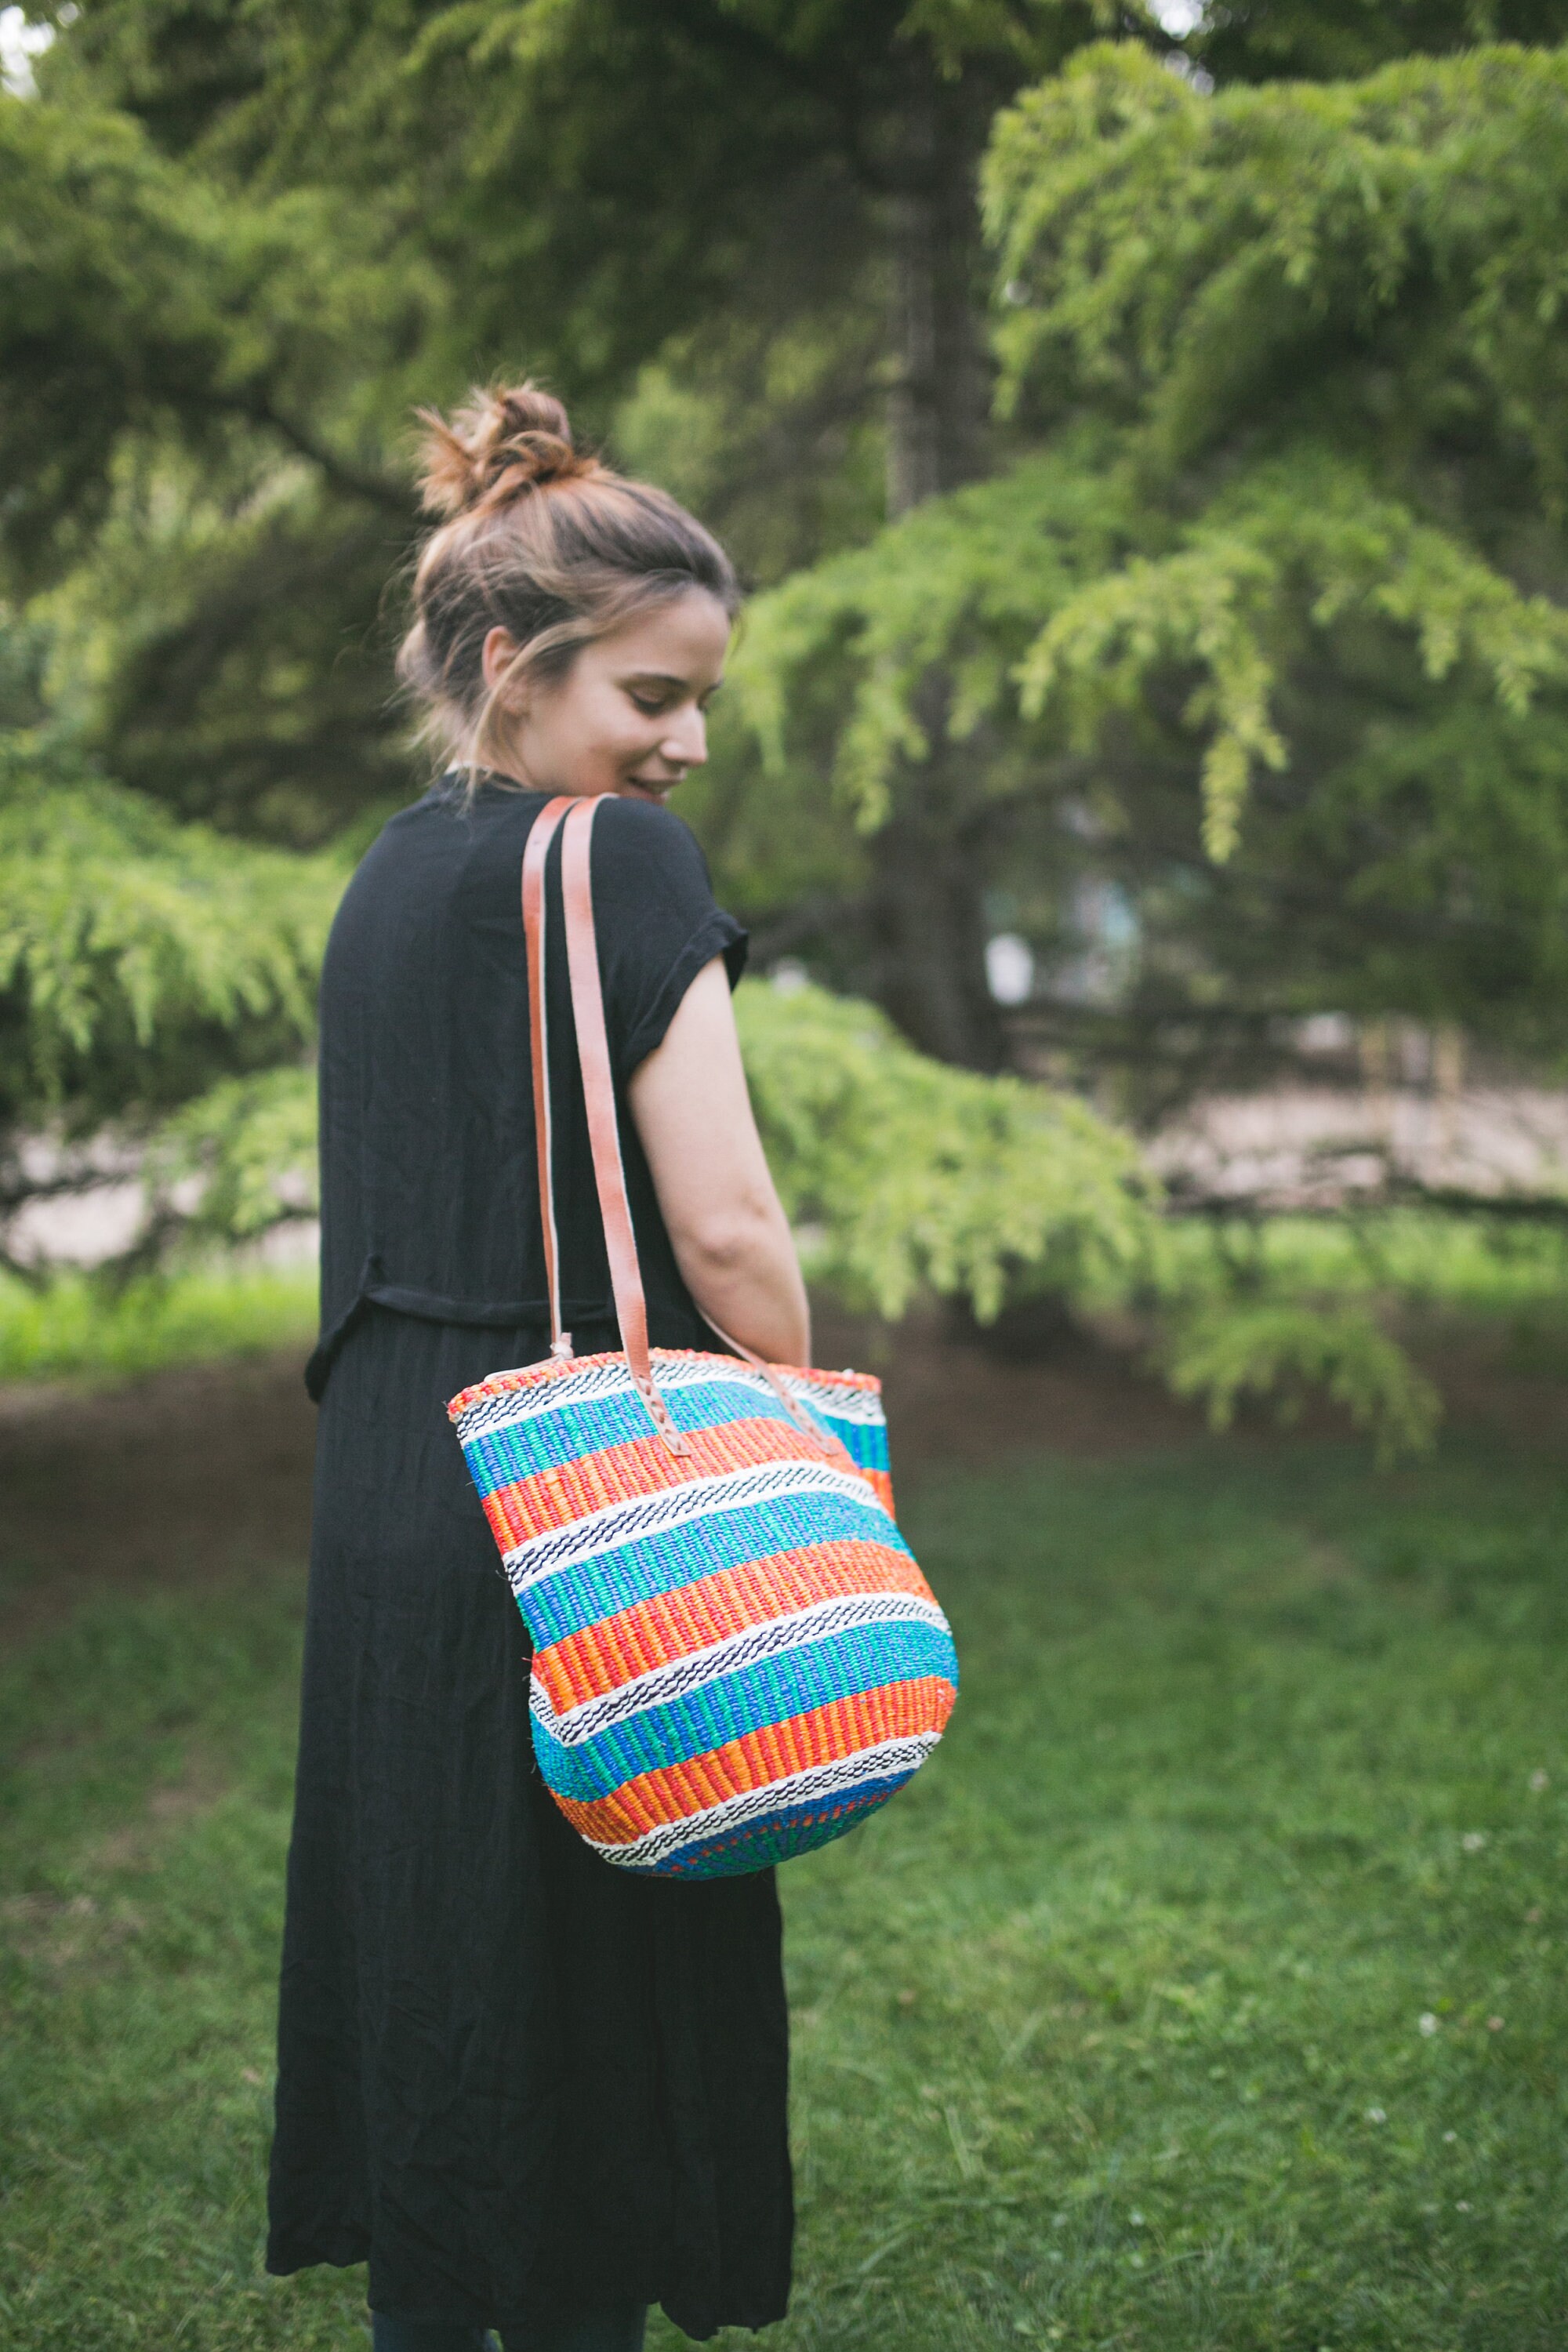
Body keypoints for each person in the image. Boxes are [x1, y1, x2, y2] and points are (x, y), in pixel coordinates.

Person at [267, 384, 810, 2352]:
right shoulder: (625, 872)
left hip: (397, 1473)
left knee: (436, 1952)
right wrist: (795, 1434)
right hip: (586, 1479)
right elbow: (731, 1229)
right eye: (650, 695)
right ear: (514, 661)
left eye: (698, 706)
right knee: (600, 1966)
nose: (679, 744)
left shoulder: (385, 878)